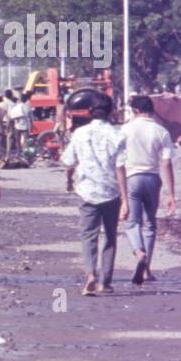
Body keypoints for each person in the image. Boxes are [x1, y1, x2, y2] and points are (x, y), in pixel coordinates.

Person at [61, 94, 129, 296]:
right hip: (111, 192)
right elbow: (120, 168)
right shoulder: (118, 135)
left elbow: (68, 162)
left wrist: (69, 181)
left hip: (87, 191)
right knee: (110, 236)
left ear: (90, 112)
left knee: (88, 235)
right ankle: (104, 282)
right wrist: (125, 199)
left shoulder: (80, 133)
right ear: (111, 113)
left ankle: (90, 273)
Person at [121, 95, 176, 284]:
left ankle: (139, 253)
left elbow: (118, 162)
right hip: (153, 179)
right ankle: (146, 271)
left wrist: (119, 194)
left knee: (132, 223)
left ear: (135, 110)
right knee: (150, 224)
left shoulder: (125, 130)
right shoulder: (161, 131)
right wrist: (171, 194)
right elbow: (167, 162)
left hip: (132, 178)